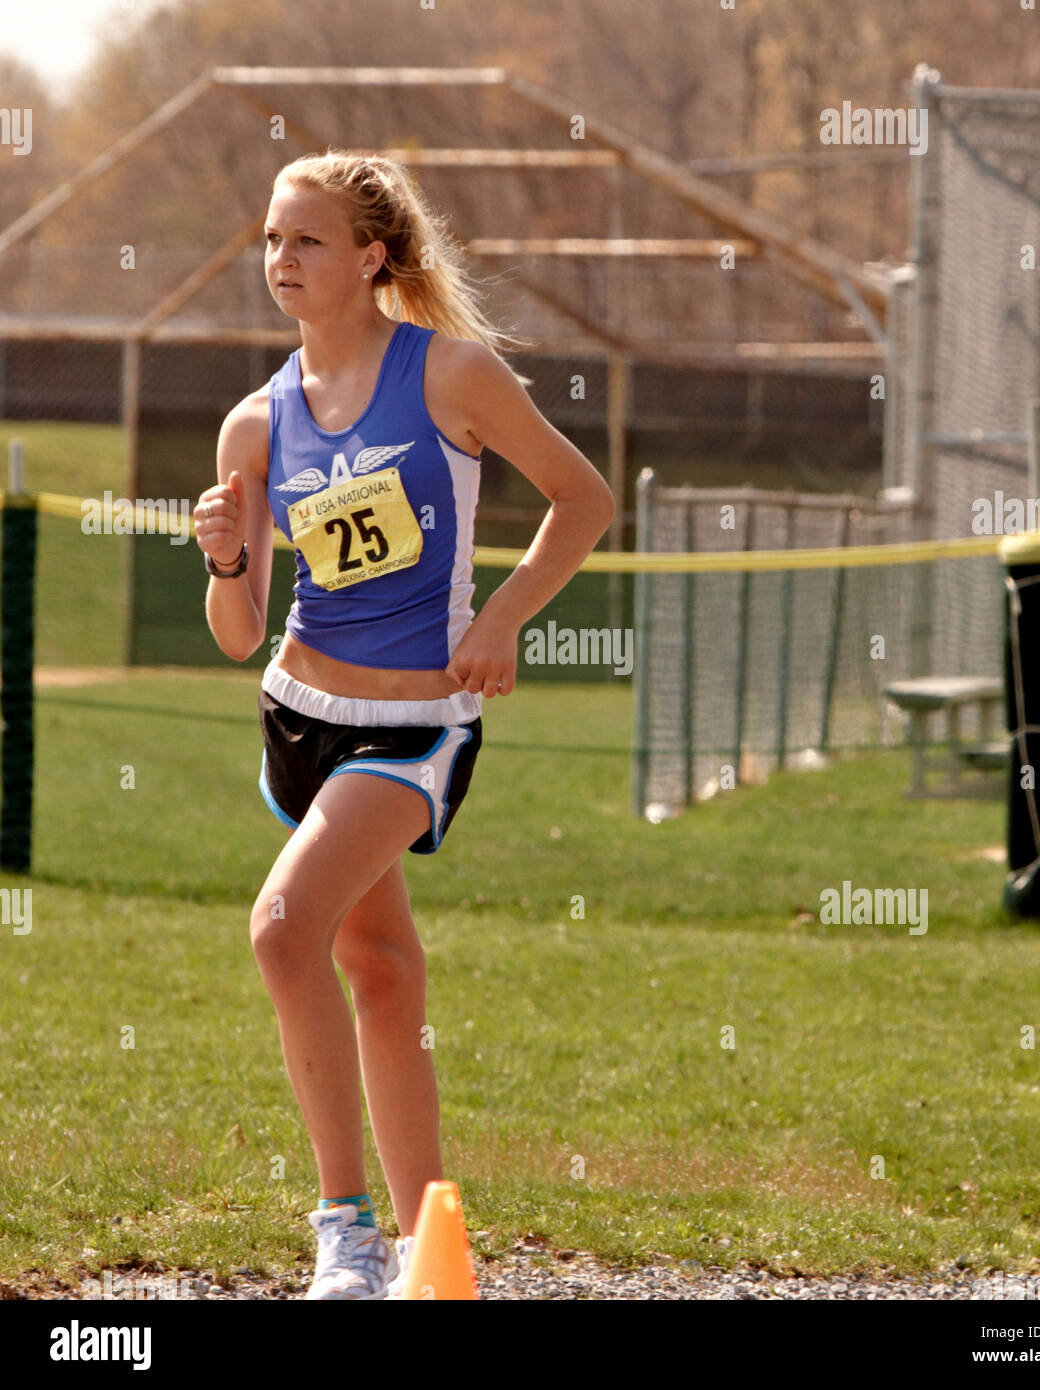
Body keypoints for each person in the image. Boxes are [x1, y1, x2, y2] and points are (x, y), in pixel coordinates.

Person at [194, 150, 614, 1299]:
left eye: (308, 241)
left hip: (413, 725)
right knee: (375, 968)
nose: (282, 260)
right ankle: (439, 1253)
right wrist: (227, 555)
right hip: (299, 713)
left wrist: (503, 618)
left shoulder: (452, 376)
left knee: (284, 929)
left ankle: (345, 1230)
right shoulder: (254, 422)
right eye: (272, 240)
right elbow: (236, 631)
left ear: (373, 257)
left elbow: (585, 499)